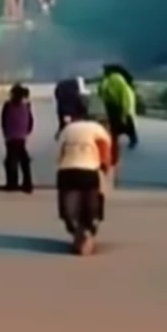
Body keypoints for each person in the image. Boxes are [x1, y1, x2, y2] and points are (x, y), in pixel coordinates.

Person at [55, 96, 112, 253]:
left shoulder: (67, 129)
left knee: (67, 204)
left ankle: (74, 228)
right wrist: (104, 171)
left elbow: (58, 155)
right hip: (89, 172)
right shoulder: (99, 130)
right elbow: (106, 156)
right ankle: (90, 227)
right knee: (93, 201)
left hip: (67, 172)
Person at [0, 84, 34, 193]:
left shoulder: (8, 105)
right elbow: (31, 121)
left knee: (11, 161)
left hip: (11, 136)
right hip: (21, 137)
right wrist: (26, 132)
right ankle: (27, 183)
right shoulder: (26, 106)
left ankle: (12, 183)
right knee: (23, 160)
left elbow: (3, 121)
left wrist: (6, 133)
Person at [98, 65, 137, 158]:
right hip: (115, 104)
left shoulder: (116, 79)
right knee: (117, 124)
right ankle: (122, 140)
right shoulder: (109, 78)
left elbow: (123, 94)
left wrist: (125, 108)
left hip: (119, 104)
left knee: (124, 123)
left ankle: (131, 139)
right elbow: (103, 90)